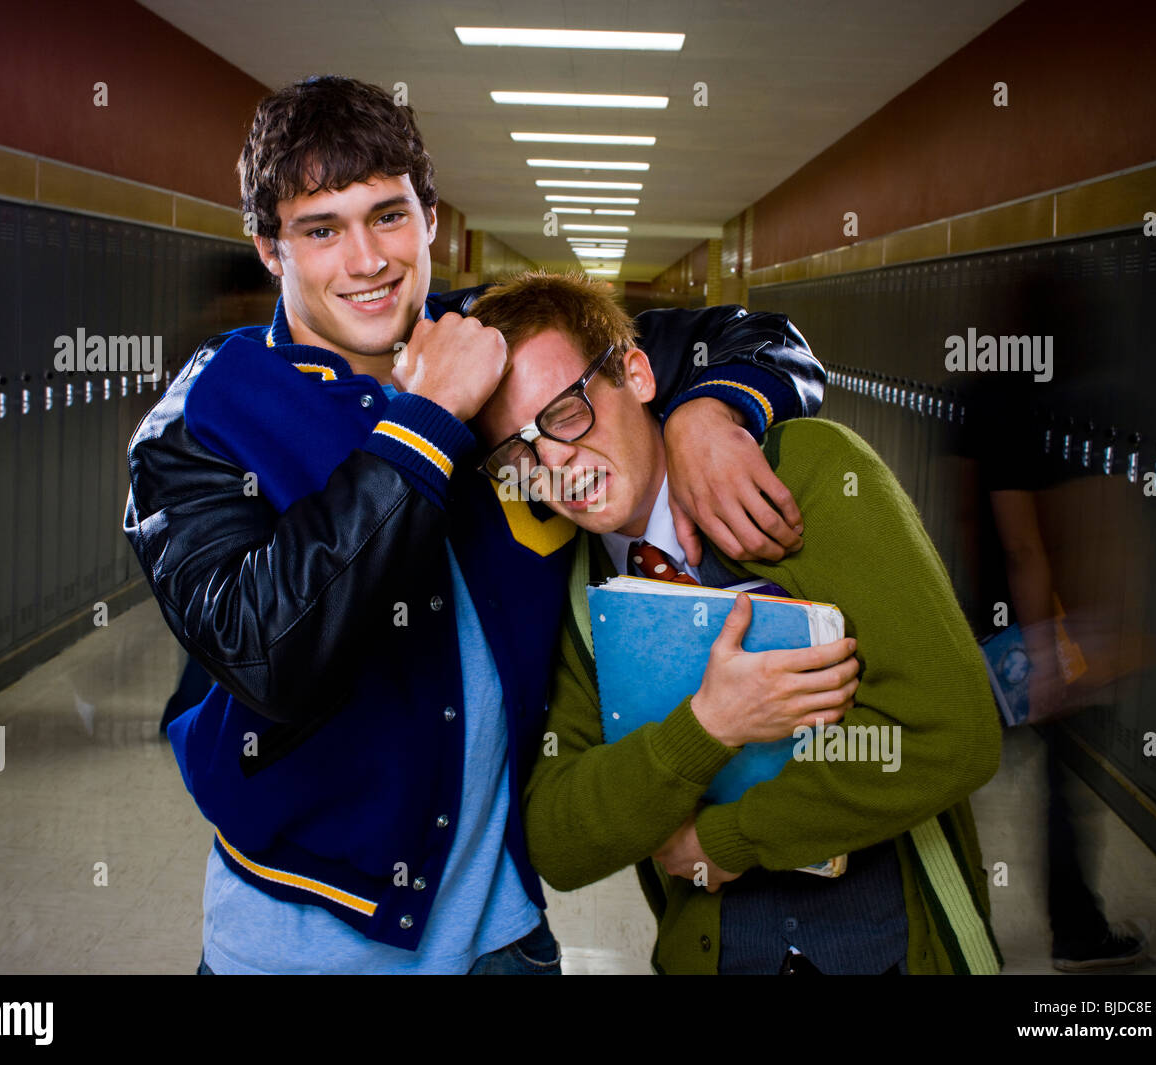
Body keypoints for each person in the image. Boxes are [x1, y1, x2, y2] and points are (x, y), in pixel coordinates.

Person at [123, 75, 828, 974]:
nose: (368, 258)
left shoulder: (501, 338)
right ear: (271, 249)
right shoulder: (199, 423)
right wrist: (427, 419)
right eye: (321, 229)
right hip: (299, 937)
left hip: (501, 928)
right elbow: (269, 652)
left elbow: (746, 338)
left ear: (429, 216)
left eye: (388, 215)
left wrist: (712, 412)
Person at [469, 271, 1004, 975]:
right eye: (519, 450)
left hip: (895, 945)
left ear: (637, 374)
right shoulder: (578, 594)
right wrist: (709, 725)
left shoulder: (807, 473)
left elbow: (954, 735)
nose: (552, 461)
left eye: (567, 413)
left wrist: (726, 840)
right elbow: (559, 842)